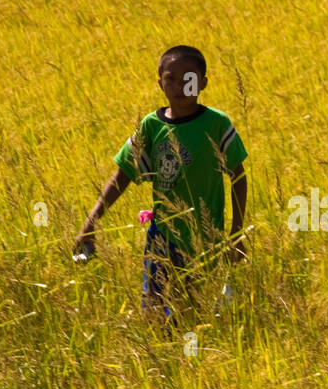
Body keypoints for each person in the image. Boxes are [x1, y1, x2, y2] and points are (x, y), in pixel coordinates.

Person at [74, 45, 248, 319]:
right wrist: (91, 222)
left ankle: (187, 357)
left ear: (203, 82)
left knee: (190, 313)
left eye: (188, 79)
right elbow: (122, 176)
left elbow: (238, 176)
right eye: (171, 79)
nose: (180, 86)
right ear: (160, 84)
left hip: (205, 242)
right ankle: (160, 355)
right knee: (154, 311)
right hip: (162, 240)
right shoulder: (151, 127)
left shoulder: (216, 124)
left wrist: (236, 234)